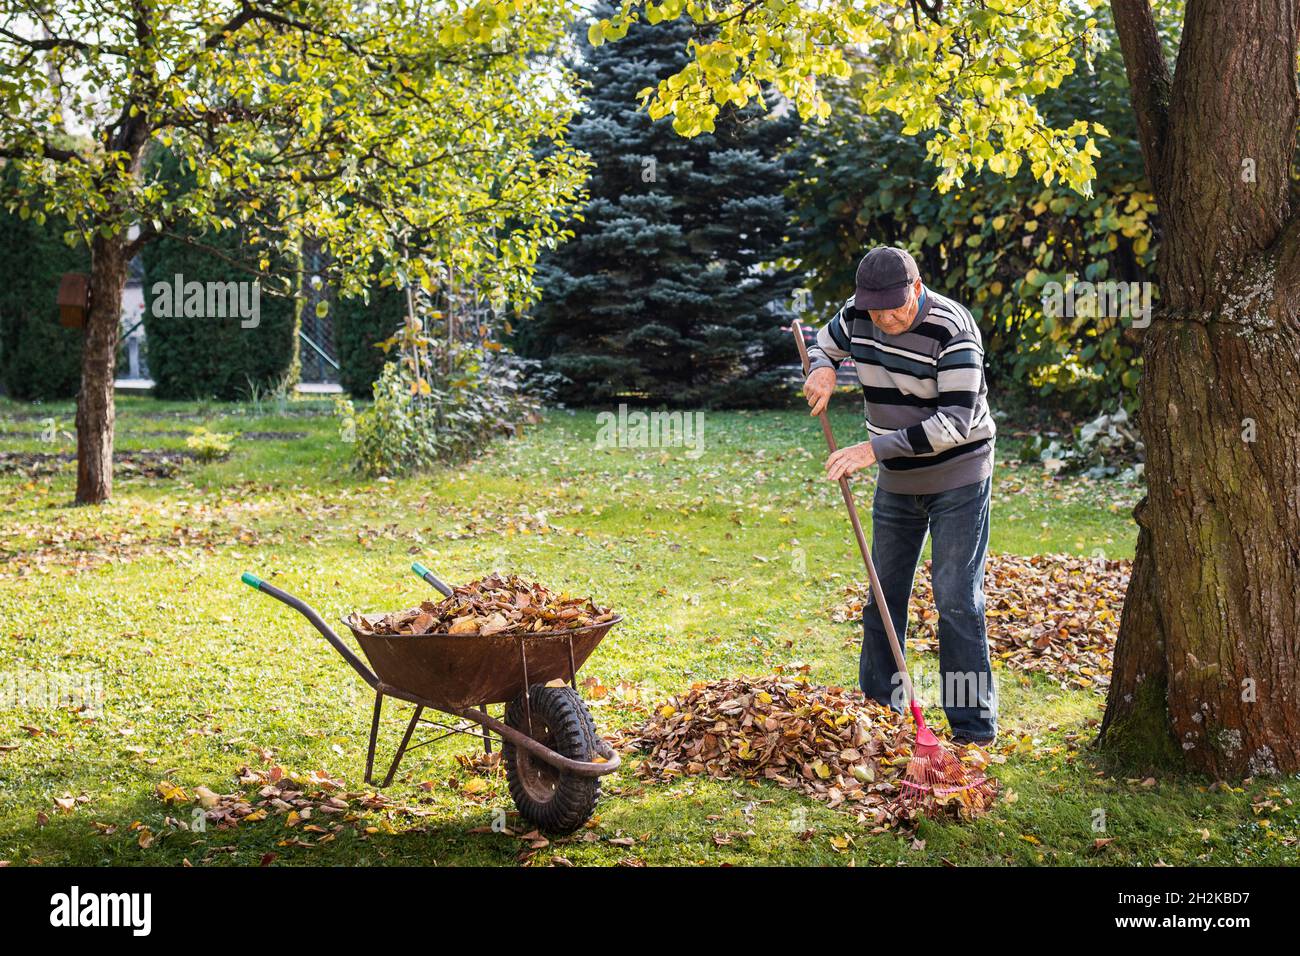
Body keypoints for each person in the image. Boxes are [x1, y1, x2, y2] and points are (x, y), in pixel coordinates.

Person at [803, 245, 997, 743]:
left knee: (956, 598)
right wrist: (821, 368)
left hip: (957, 474)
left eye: (895, 306)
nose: (885, 318)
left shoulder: (954, 330)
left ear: (916, 287)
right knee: (882, 596)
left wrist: (874, 450)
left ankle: (972, 729)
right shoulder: (859, 313)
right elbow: (821, 345)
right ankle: (878, 714)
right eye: (875, 309)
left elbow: (956, 422)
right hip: (898, 480)